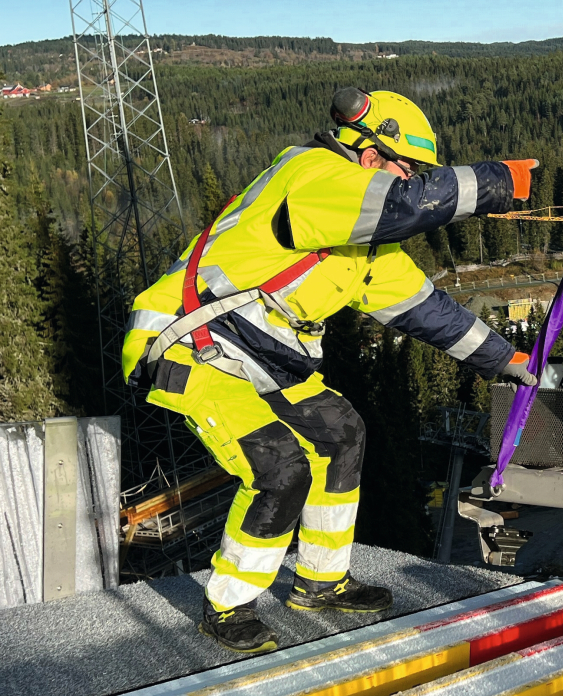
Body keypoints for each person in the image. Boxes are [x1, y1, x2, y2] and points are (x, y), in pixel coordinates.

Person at [122, 88, 540, 654]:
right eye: (407, 170)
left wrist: (508, 360)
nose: (410, 182)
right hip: (188, 347)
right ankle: (227, 605)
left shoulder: (361, 249)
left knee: (342, 432)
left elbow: (429, 313)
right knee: (280, 467)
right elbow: (408, 204)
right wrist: (496, 182)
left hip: (257, 354)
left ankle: (319, 581)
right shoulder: (314, 176)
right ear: (369, 155)